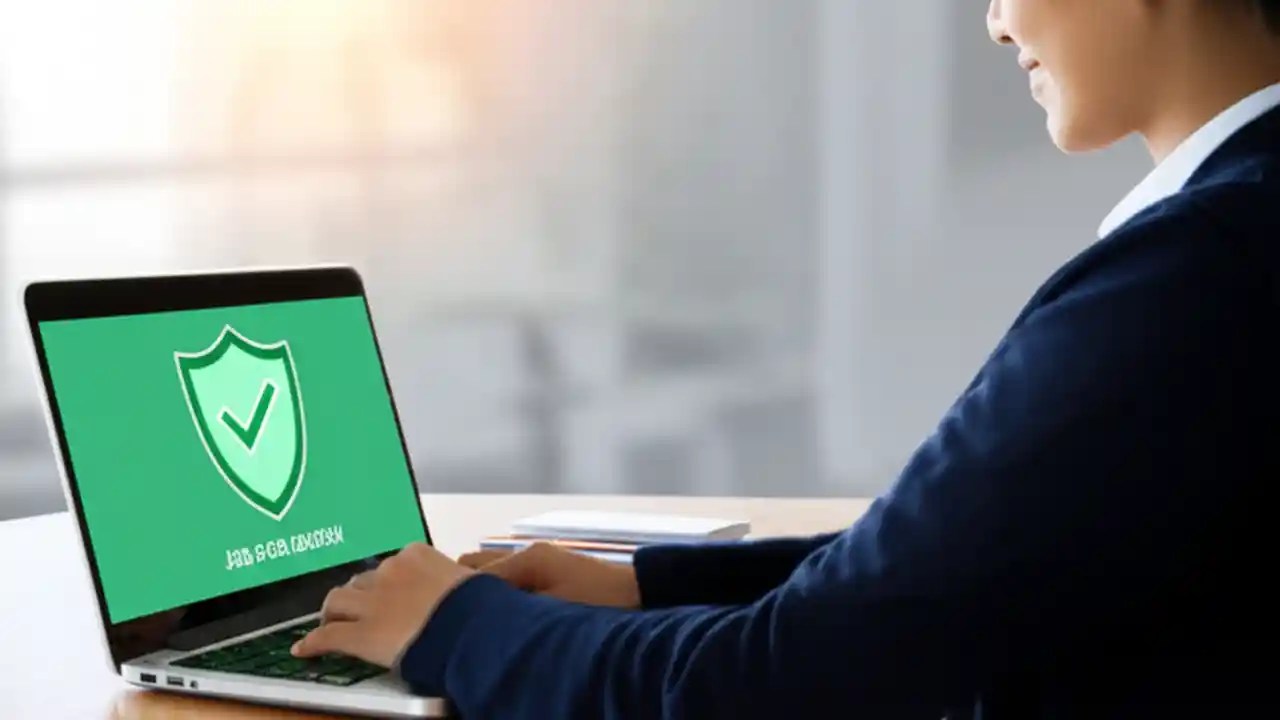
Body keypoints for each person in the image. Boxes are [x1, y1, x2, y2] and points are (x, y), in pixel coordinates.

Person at [292, 1, 1280, 716]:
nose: (991, 22)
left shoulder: (1193, 274)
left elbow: (787, 680)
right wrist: (644, 583)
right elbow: (962, 570)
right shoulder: (1229, 237)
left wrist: (459, 630)